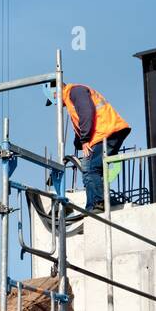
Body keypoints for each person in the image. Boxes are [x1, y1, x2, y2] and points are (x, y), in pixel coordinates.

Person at [56, 82, 131, 213]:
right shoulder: (73, 96)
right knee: (97, 168)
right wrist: (79, 141)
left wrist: (85, 139)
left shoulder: (74, 91)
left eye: (54, 99)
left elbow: (86, 112)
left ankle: (98, 203)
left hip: (105, 132)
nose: (56, 104)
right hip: (109, 131)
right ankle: (100, 202)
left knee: (89, 167)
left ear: (55, 91)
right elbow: (82, 120)